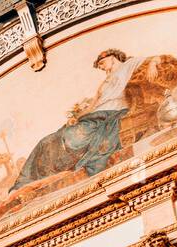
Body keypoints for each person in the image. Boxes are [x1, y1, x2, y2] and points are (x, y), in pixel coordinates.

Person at [12, 49, 142, 190]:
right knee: (48, 140)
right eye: (100, 66)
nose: (102, 67)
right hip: (96, 116)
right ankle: (28, 181)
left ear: (113, 57)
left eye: (102, 63)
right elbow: (93, 104)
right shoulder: (105, 81)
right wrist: (77, 117)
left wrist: (153, 64)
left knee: (72, 138)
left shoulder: (128, 65)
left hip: (113, 112)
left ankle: (57, 167)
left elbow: (151, 60)